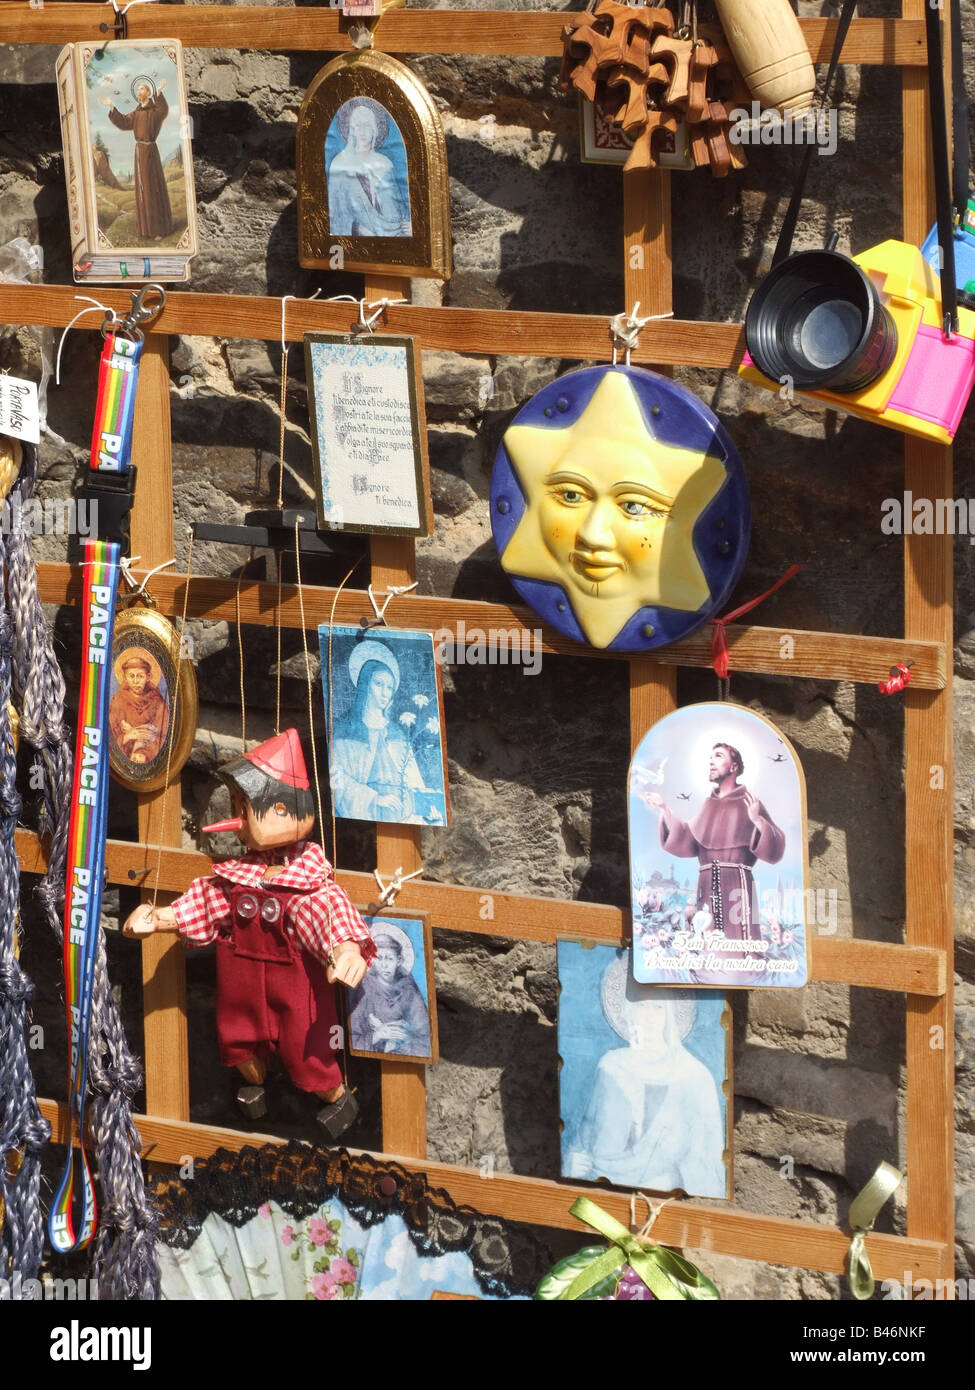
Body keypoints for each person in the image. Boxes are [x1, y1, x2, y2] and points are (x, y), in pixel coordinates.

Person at [123, 728, 376, 1138]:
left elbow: (331, 916)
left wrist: (347, 952)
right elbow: (205, 903)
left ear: (280, 808)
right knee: (237, 1037)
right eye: (237, 805)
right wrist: (161, 917)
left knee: (306, 1048)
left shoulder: (308, 883)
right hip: (240, 979)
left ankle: (336, 1097)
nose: (237, 818)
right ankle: (254, 1084)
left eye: (244, 807)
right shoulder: (238, 877)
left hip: (295, 987)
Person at [564, 966, 726, 1197]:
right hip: (602, 1194)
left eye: (658, 1007)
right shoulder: (611, 1067)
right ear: (627, 1010)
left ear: (669, 1014)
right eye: (640, 1004)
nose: (647, 1017)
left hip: (665, 1204)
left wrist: (671, 1179)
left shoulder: (694, 1078)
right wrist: (573, 1162)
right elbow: (585, 1137)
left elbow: (708, 1167)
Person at [641, 742, 784, 941]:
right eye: (710, 757)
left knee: (738, 942)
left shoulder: (748, 802)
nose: (711, 762)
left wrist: (758, 821)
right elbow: (688, 840)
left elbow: (776, 850)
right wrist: (664, 809)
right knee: (706, 940)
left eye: (718, 756)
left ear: (734, 767)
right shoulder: (709, 803)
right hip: (706, 886)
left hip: (736, 885)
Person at [329, 640, 434, 824]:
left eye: (389, 687)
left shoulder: (397, 735)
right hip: (364, 817)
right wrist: (374, 798)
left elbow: (413, 782)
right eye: (379, 684)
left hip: (401, 815)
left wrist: (425, 804)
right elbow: (339, 781)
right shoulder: (345, 732)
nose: (385, 693)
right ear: (364, 685)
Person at [99, 77, 173, 241]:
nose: (139, 92)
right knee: (142, 190)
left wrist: (159, 93)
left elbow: (164, 110)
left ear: (148, 92)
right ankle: (146, 229)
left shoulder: (155, 112)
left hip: (150, 152)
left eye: (142, 89)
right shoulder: (137, 112)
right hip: (139, 152)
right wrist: (111, 107)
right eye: (138, 89)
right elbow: (124, 122)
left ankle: (158, 229)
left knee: (152, 188)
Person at [327, 99, 411, 238]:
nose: (363, 131)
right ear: (352, 130)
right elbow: (337, 215)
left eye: (367, 126)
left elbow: (398, 212)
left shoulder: (385, 164)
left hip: (393, 237)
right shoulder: (340, 163)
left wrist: (409, 226)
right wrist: (358, 228)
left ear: (375, 130)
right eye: (358, 126)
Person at [349, 928, 431, 1057]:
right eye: (379, 958)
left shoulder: (409, 990)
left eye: (390, 959)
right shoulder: (365, 988)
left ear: (399, 961)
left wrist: (405, 1037)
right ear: (373, 960)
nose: (384, 965)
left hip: (403, 1054)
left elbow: (424, 1035)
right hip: (369, 1061)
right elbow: (352, 1036)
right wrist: (378, 1034)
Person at [109, 652, 169, 765]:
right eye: (131, 676)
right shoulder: (118, 701)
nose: (136, 681)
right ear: (125, 678)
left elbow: (164, 737)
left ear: (148, 677)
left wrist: (143, 751)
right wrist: (129, 735)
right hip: (122, 762)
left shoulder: (159, 703)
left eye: (140, 676)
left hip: (147, 759)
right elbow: (109, 736)